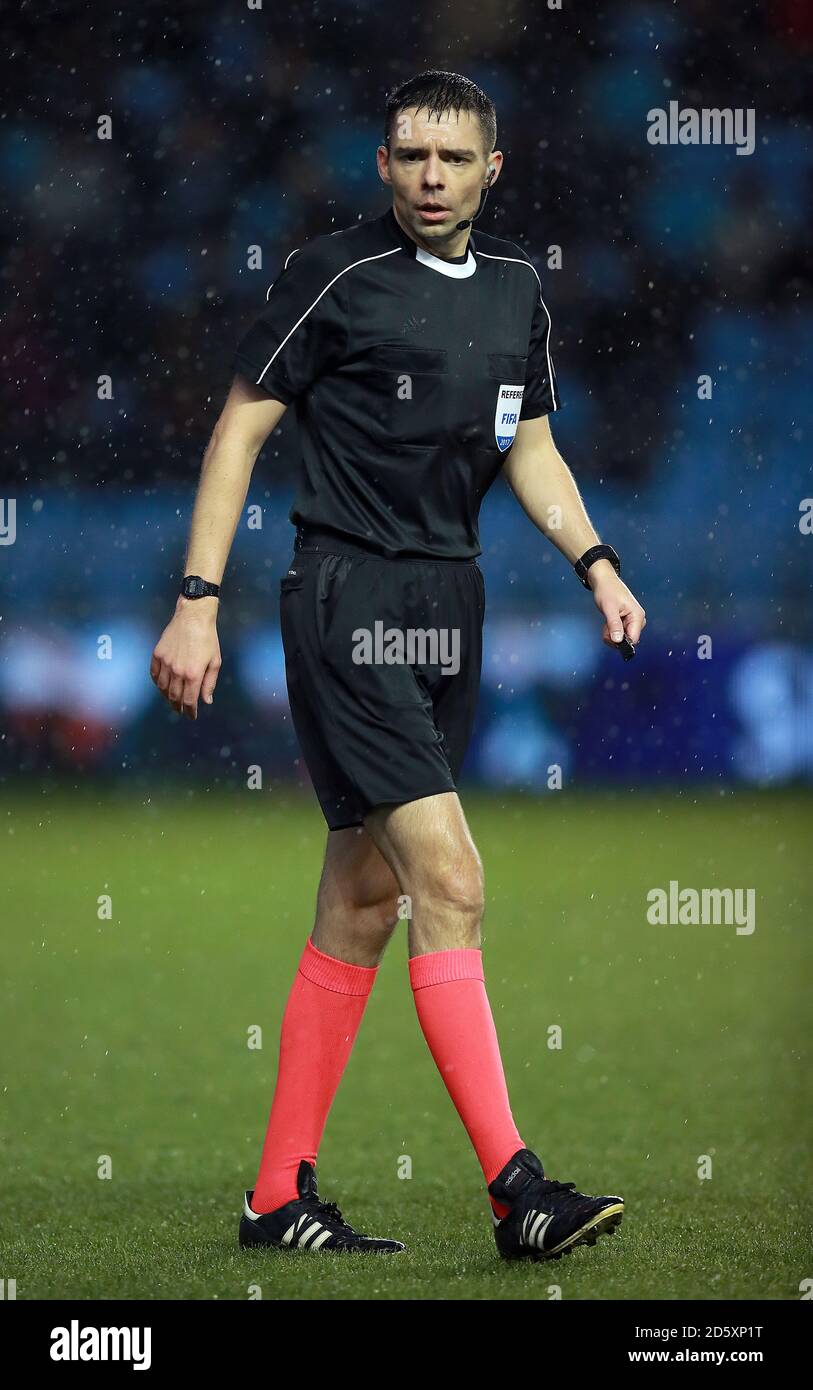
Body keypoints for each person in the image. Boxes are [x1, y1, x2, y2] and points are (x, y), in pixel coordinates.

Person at [150, 70, 645, 1261]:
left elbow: (528, 440)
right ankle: (517, 1190)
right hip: (346, 596)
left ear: (492, 169)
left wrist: (595, 560)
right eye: (411, 156)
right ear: (383, 164)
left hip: (449, 599)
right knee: (452, 880)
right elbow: (239, 430)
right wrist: (197, 602)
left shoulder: (519, 286)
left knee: (367, 899)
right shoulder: (332, 274)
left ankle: (277, 1198)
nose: (431, 178)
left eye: (453, 159)